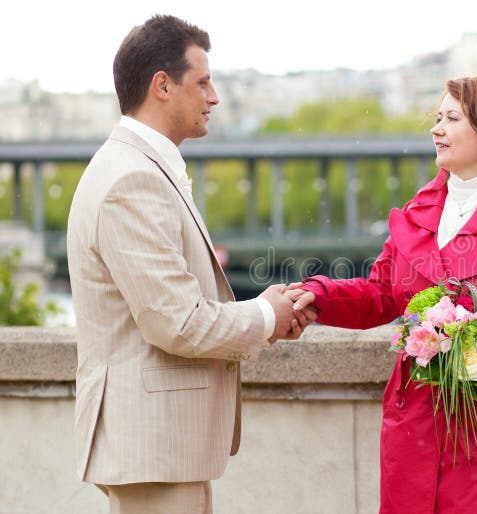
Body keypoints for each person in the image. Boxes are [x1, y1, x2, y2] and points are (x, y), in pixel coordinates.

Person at [289, 76, 477, 513]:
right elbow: (381, 294)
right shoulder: (416, 213)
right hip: (413, 425)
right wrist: (315, 295)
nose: (436, 129)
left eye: (451, 118)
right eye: (437, 117)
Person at [66, 15, 315, 513]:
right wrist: (266, 315)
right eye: (202, 82)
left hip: (159, 447)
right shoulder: (131, 180)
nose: (214, 96)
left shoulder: (138, 168)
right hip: (153, 446)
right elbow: (176, 322)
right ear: (162, 85)